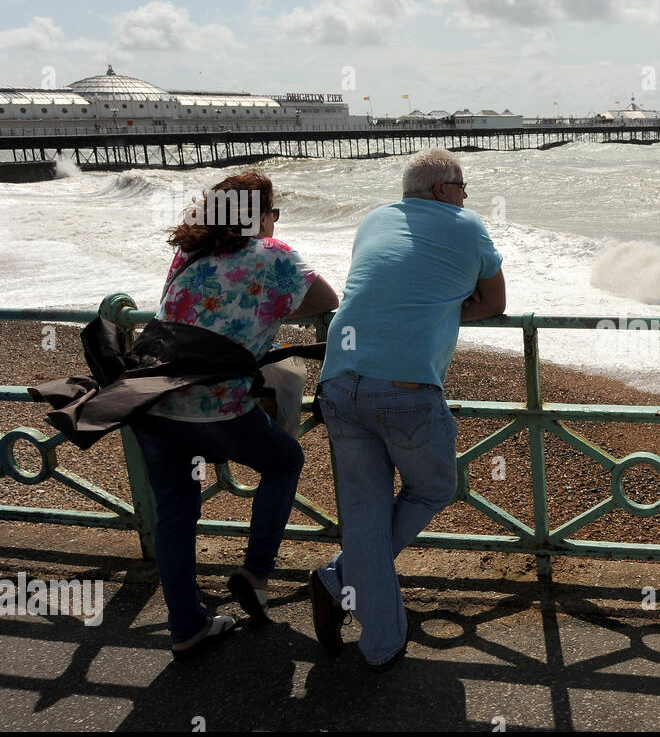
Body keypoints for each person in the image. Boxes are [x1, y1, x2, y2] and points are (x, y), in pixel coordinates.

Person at [310, 148, 505, 672]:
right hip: (405, 388)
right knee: (434, 488)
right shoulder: (466, 223)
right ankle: (338, 582)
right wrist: (446, 302)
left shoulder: (375, 218)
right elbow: (494, 303)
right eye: (462, 186)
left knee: (366, 513)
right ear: (443, 189)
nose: (466, 196)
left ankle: (381, 638)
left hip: (338, 380)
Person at [130, 170, 338, 660]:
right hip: (218, 406)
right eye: (273, 211)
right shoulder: (274, 254)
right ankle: (255, 572)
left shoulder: (188, 251)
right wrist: (267, 304)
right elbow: (328, 302)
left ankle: (186, 627)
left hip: (152, 399)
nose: (276, 220)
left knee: (175, 514)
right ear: (260, 214)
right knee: (284, 461)